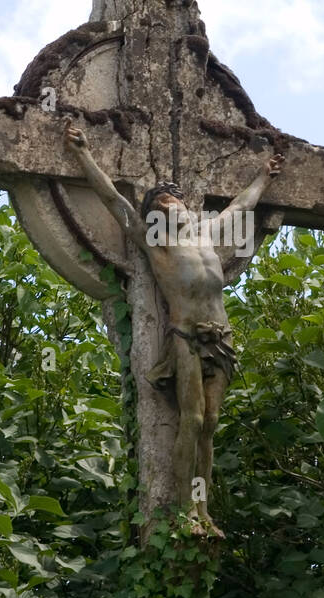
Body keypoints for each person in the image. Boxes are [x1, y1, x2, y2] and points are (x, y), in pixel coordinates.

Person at [64, 120, 283, 535]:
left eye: (174, 201)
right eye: (162, 204)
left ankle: (205, 509)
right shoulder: (156, 244)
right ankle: (186, 513)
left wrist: (263, 177)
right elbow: (114, 201)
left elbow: (240, 207)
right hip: (185, 337)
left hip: (222, 338)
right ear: (155, 216)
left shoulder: (206, 235)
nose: (171, 206)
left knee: (213, 424)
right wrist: (83, 153)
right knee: (193, 420)